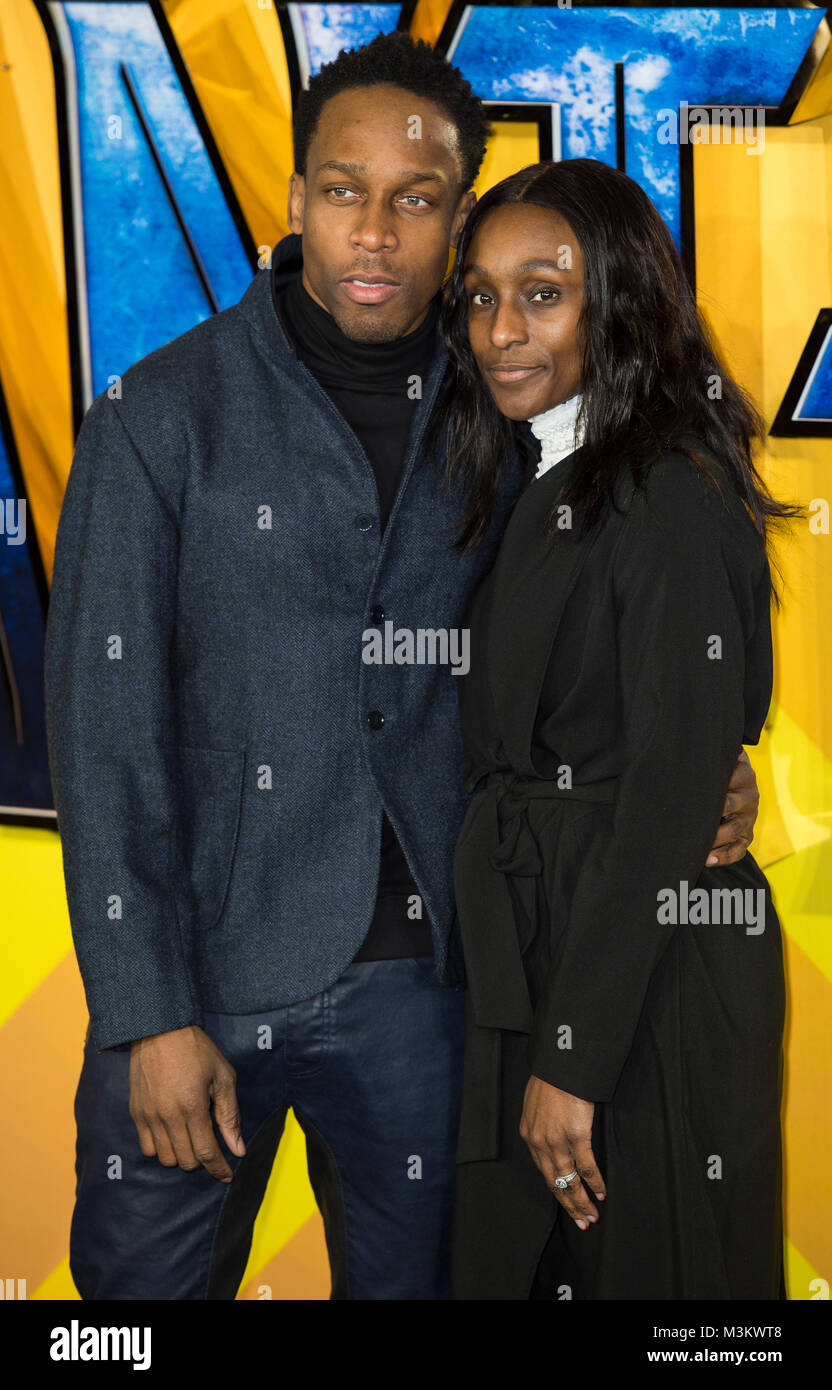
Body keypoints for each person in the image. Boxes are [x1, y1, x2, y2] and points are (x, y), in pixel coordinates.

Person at [44, 32, 760, 1301]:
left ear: (456, 217)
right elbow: (102, 733)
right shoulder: (159, 414)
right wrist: (149, 1014)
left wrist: (687, 777)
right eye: (343, 190)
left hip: (438, 989)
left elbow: (600, 645)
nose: (374, 232)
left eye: (415, 200)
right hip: (202, 978)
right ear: (295, 199)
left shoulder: (509, 403)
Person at [439, 158, 794, 1301]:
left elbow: (668, 798)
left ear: (623, 301)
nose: (501, 330)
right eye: (481, 295)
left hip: (650, 978)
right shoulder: (540, 473)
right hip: (546, 944)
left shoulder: (664, 493)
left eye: (543, 294)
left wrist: (572, 1058)